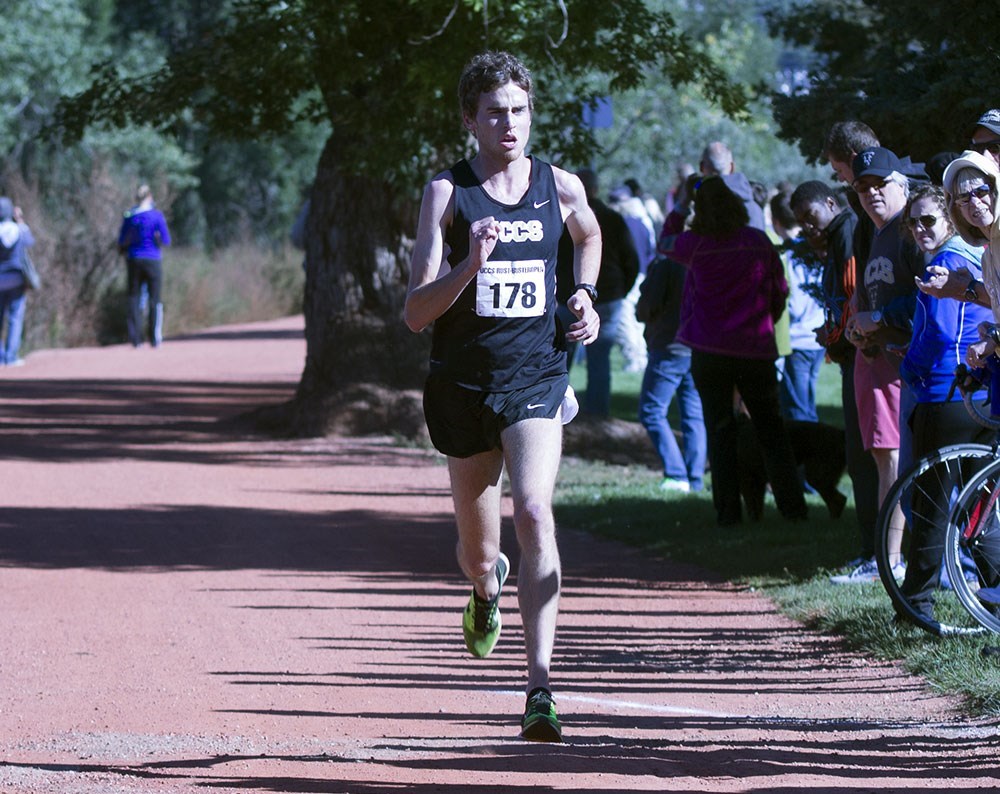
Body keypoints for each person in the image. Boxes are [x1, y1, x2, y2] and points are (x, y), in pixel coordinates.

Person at [403, 51, 601, 743]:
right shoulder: (447, 194)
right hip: (462, 386)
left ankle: (540, 686)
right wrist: (471, 264)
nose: (508, 123)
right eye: (494, 112)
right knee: (479, 553)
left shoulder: (560, 185)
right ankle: (487, 590)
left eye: (518, 110)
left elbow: (591, 235)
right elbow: (416, 312)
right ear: (470, 120)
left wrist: (585, 294)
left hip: (537, 378)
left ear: (531, 113)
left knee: (536, 508)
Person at [662, 175, 807, 526]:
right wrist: (765, 323)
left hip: (709, 350)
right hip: (754, 347)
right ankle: (793, 509)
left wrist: (681, 205)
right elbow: (779, 290)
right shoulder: (758, 241)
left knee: (720, 430)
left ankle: (728, 513)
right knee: (771, 430)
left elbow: (664, 242)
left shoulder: (695, 244)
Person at [896, 183, 992, 620]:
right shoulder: (977, 256)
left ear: (949, 220)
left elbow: (939, 333)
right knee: (981, 507)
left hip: (946, 391)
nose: (919, 228)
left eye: (928, 219)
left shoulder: (946, 262)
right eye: (912, 221)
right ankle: (994, 598)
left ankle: (915, 606)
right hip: (981, 393)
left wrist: (909, 366)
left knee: (930, 504)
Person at [834, 147, 923, 585]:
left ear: (901, 185)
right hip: (878, 358)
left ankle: (888, 560)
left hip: (904, 364)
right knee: (883, 457)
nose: (871, 194)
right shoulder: (879, 232)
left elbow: (930, 296)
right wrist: (859, 322)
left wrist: (881, 321)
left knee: (892, 461)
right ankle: (888, 557)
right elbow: (876, 297)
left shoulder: (910, 232)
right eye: (862, 187)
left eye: (880, 185)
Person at [790, 180, 881, 576]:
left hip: (857, 351)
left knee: (864, 456)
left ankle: (877, 548)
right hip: (847, 350)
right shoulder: (835, 234)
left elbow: (850, 288)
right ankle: (870, 545)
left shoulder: (846, 230)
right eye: (801, 223)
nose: (808, 227)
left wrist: (837, 336)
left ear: (830, 203)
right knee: (859, 456)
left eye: (811, 217)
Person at [556, 169, 638, 416]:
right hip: (606, 295)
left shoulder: (564, 218)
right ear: (595, 189)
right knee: (598, 358)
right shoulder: (612, 217)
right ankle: (596, 414)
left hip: (574, 296)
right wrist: (620, 290)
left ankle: (558, 409)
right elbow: (631, 261)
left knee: (562, 356)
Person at [635, 251, 706, 493]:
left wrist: (642, 313)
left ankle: (676, 474)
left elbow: (647, 306)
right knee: (694, 416)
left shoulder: (668, 264)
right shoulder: (705, 260)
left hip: (669, 346)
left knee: (651, 411)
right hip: (697, 347)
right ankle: (695, 479)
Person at [770, 189, 825, 422]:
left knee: (797, 409)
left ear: (775, 221)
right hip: (818, 336)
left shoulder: (789, 254)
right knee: (805, 401)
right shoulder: (814, 248)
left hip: (799, 339)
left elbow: (794, 304)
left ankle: (808, 455)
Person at [608, 182, 657, 373]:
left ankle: (634, 358)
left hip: (630, 277)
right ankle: (640, 357)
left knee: (624, 319)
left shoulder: (623, 224)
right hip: (643, 275)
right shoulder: (642, 221)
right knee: (636, 321)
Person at [118, 184, 171, 348]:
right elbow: (166, 240)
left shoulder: (130, 216)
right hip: (153, 260)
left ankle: (136, 339)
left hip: (134, 259)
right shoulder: (156, 216)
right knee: (154, 299)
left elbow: (121, 241)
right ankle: (154, 339)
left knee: (134, 298)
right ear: (150, 197)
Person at [0, 198, 35, 367]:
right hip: (16, 279)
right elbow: (30, 242)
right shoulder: (19, 230)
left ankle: (0, 357)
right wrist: (20, 219)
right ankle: (11, 356)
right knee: (15, 318)